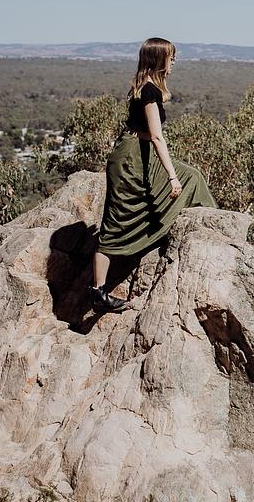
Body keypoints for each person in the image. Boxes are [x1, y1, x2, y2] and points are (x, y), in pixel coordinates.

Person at [88, 37, 217, 314]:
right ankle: (98, 293)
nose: (173, 62)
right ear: (159, 60)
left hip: (135, 151)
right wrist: (171, 176)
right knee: (114, 223)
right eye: (171, 57)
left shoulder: (143, 86)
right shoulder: (149, 92)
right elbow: (157, 137)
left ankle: (198, 229)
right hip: (133, 157)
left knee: (191, 176)